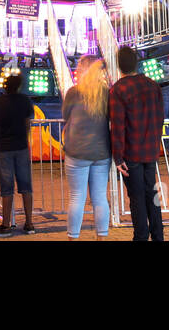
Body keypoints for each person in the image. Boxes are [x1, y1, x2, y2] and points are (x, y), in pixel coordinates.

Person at [109, 45, 164, 242]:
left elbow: (118, 126)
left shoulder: (118, 90)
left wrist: (118, 156)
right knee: (152, 195)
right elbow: (160, 117)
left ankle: (140, 236)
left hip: (131, 153)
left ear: (119, 66)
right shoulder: (153, 85)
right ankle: (158, 235)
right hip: (150, 150)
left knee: (137, 198)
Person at [63, 56, 111, 240]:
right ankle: (102, 237)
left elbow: (66, 115)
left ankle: (73, 237)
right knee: (99, 197)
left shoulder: (74, 92)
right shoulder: (106, 93)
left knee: (77, 197)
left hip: (77, 151)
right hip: (101, 151)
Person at [0, 71, 36, 236]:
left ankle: (6, 224)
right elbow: (27, 123)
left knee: (7, 188)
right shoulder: (25, 101)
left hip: (4, 148)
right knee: (26, 187)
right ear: (19, 86)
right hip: (21, 147)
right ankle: (29, 223)